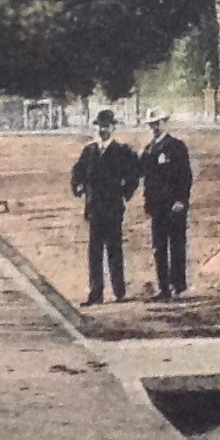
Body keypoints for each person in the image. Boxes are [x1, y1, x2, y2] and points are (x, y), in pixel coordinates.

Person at [69, 108, 139, 305]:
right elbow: (77, 173)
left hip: (113, 208)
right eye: (100, 126)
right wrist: (78, 187)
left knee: (114, 250)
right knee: (95, 252)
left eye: (106, 126)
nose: (102, 130)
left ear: (113, 128)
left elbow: (133, 175)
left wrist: (124, 193)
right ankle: (96, 293)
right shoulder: (89, 151)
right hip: (94, 208)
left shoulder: (122, 152)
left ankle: (119, 292)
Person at [139, 107, 193, 300]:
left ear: (165, 123)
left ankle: (178, 286)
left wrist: (181, 200)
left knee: (176, 246)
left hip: (174, 205)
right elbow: (145, 178)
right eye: (151, 124)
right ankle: (164, 288)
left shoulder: (176, 147)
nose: (154, 127)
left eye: (157, 123)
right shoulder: (148, 150)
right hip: (157, 207)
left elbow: (185, 176)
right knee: (159, 248)